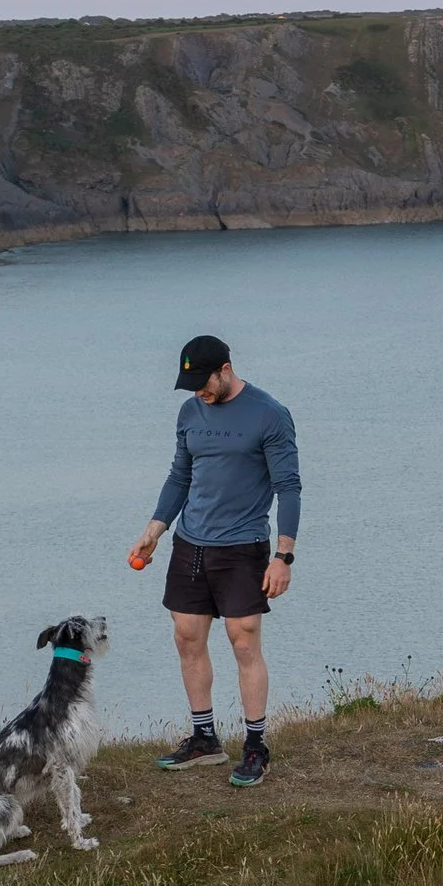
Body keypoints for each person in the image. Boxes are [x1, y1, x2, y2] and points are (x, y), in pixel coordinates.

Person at [129, 333, 301, 787]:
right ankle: (204, 739)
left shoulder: (270, 414)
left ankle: (256, 746)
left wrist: (283, 554)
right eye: (191, 387)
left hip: (243, 547)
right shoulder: (189, 412)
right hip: (190, 543)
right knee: (187, 637)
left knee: (243, 642)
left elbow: (289, 487)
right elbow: (179, 476)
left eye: (203, 383)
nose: (198, 394)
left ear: (226, 369)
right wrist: (156, 527)